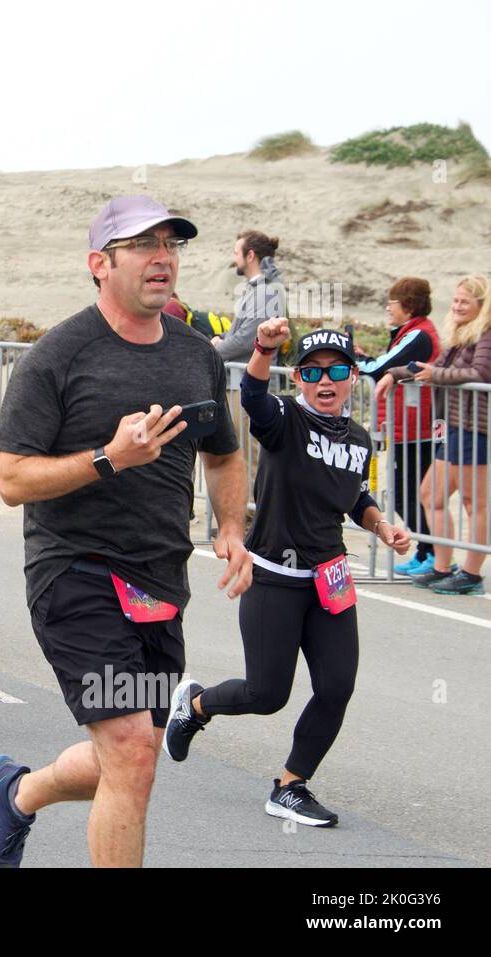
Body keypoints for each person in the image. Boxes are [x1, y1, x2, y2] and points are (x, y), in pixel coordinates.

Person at [0, 195, 252, 868]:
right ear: (100, 263)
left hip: (158, 580)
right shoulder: (57, 355)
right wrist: (107, 458)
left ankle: (17, 792)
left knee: (131, 755)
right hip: (75, 574)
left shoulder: (195, 354)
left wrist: (233, 526)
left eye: (172, 245)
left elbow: (222, 450)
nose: (164, 258)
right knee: (131, 749)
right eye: (144, 245)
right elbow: (11, 477)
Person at [164, 321, 411, 826]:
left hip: (330, 579)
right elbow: (252, 392)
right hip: (275, 574)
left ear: (352, 377)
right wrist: (263, 348)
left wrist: (382, 525)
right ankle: (196, 704)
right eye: (313, 371)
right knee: (267, 694)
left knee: (337, 686)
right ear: (298, 377)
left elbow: (355, 495)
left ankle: (291, 785)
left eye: (338, 371)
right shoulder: (285, 419)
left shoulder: (359, 438)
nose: (326, 381)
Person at [376, 275, 491, 596]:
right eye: (455, 301)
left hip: (475, 426)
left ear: (481, 305)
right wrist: (394, 373)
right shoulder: (460, 334)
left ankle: (471, 573)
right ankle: (443, 565)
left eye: (464, 302)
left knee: (473, 502)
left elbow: (481, 373)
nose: (456, 307)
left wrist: (435, 374)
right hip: (454, 424)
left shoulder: (485, 332)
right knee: (430, 495)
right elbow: (431, 365)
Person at [356, 277, 441, 577]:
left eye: (391, 303)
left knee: (410, 493)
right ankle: (426, 549)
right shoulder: (411, 332)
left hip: (416, 428)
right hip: (406, 426)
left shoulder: (418, 334)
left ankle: (434, 551)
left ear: (407, 305)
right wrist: (364, 359)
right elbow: (384, 363)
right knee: (408, 491)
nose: (388, 308)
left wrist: (356, 360)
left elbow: (381, 366)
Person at [212, 231, 285, 363]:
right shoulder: (255, 288)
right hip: (244, 376)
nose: (235, 260)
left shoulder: (266, 292)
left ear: (250, 256)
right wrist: (219, 337)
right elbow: (240, 330)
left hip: (253, 379)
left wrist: (211, 351)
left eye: (237, 254)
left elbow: (245, 340)